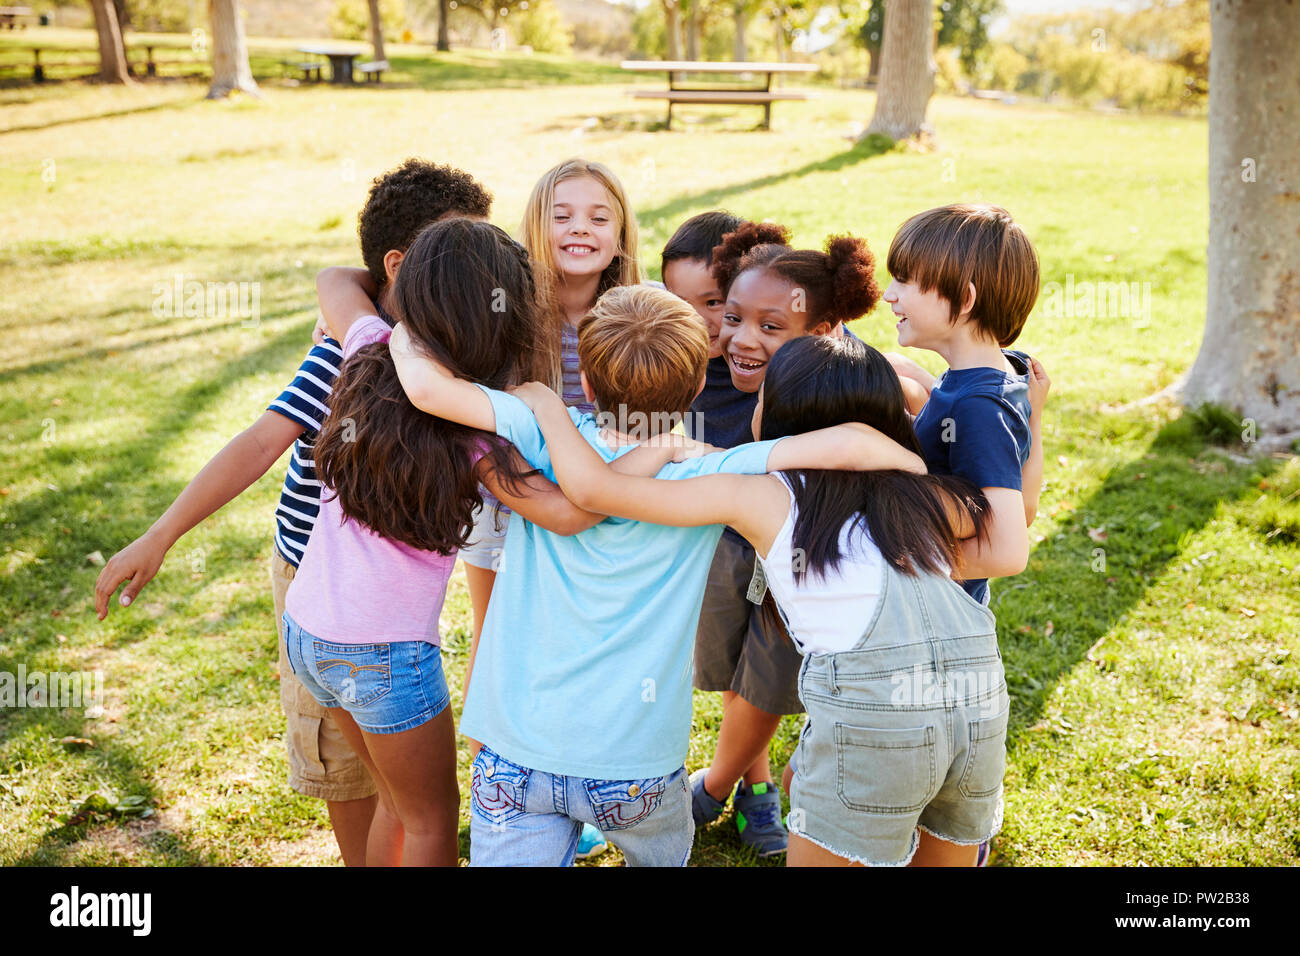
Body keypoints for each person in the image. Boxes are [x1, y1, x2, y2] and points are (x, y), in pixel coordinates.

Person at [387, 283, 924, 866]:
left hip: (518, 752)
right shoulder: (710, 470)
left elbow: (422, 385)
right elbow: (851, 443)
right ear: (697, 385)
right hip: (636, 766)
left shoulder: (541, 432)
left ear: (587, 382)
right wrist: (916, 462)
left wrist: (391, 320)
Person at [91, 159, 493, 865]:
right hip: (314, 585)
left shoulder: (447, 364)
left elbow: (337, 280)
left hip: (370, 601)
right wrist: (161, 534)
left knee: (399, 795)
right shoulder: (348, 356)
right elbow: (256, 444)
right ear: (400, 268)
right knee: (347, 768)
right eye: (449, 254)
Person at [512, 333, 1007, 867]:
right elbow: (1005, 528)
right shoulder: (928, 494)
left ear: (781, 411)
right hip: (980, 701)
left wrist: (547, 404)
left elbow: (592, 492)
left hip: (877, 714)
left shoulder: (759, 494)